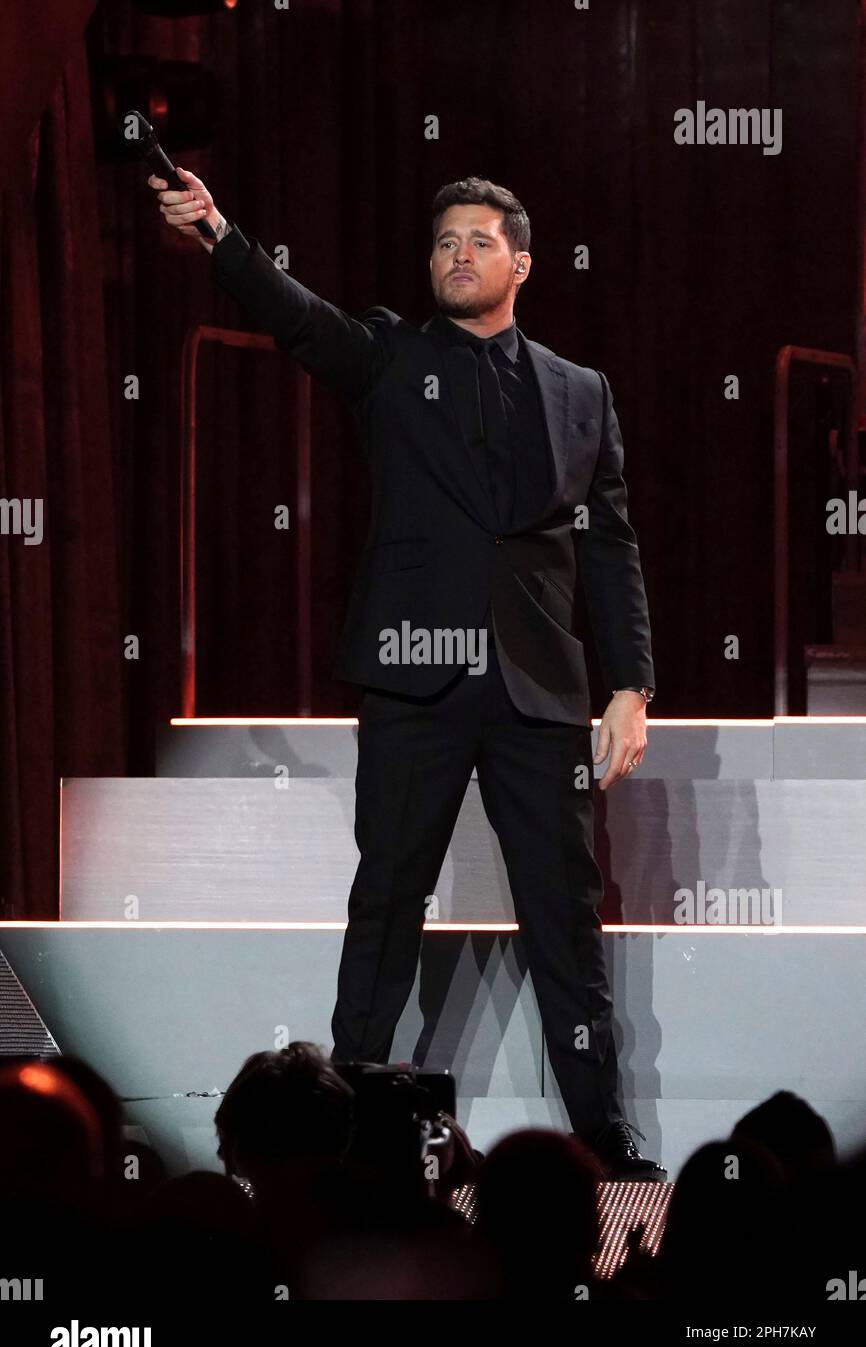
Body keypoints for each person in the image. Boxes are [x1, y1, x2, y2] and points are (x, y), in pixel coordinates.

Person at [149, 168, 662, 1180]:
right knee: (385, 903)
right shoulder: (387, 356)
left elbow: (609, 547)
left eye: (477, 240)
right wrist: (220, 233)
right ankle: (335, 1140)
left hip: (537, 693)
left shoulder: (579, 391)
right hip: (411, 683)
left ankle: (604, 1141)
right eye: (441, 243)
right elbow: (299, 319)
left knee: (564, 916)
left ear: (520, 260)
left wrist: (629, 686)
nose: (455, 255)